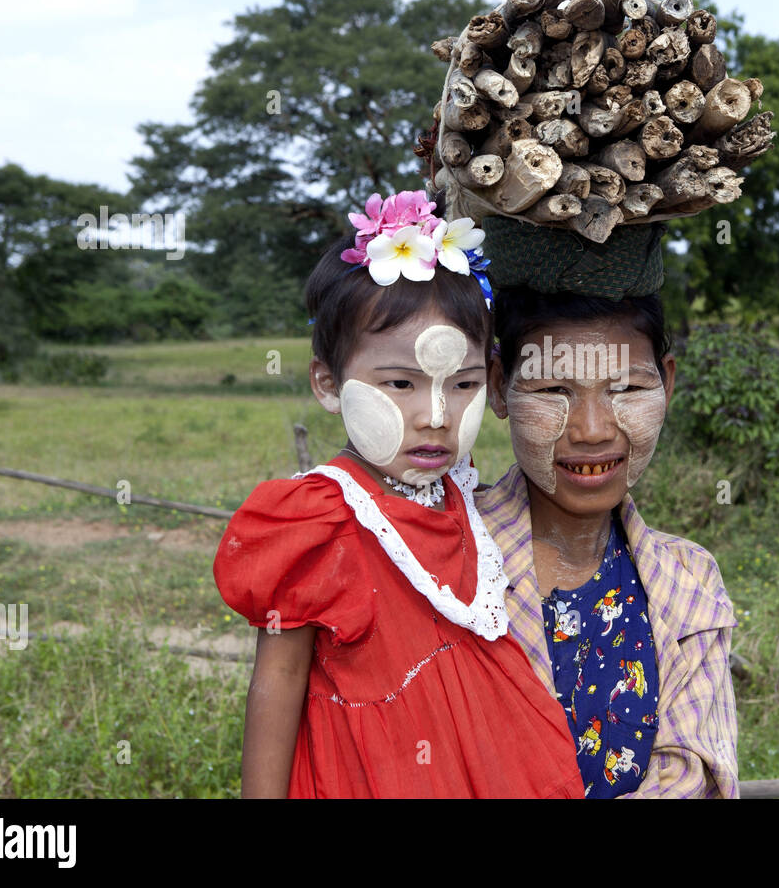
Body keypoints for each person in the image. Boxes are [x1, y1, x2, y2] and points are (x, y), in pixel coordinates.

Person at [213, 189, 584, 798]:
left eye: (462, 384)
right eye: (400, 384)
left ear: (491, 380)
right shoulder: (317, 521)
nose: (435, 417)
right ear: (327, 383)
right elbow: (277, 682)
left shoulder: (461, 492)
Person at [474, 264, 741, 798]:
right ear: (499, 387)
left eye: (627, 388)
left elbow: (692, 777)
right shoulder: (438, 561)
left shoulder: (689, 582)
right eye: (554, 389)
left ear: (666, 383)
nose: (593, 430)